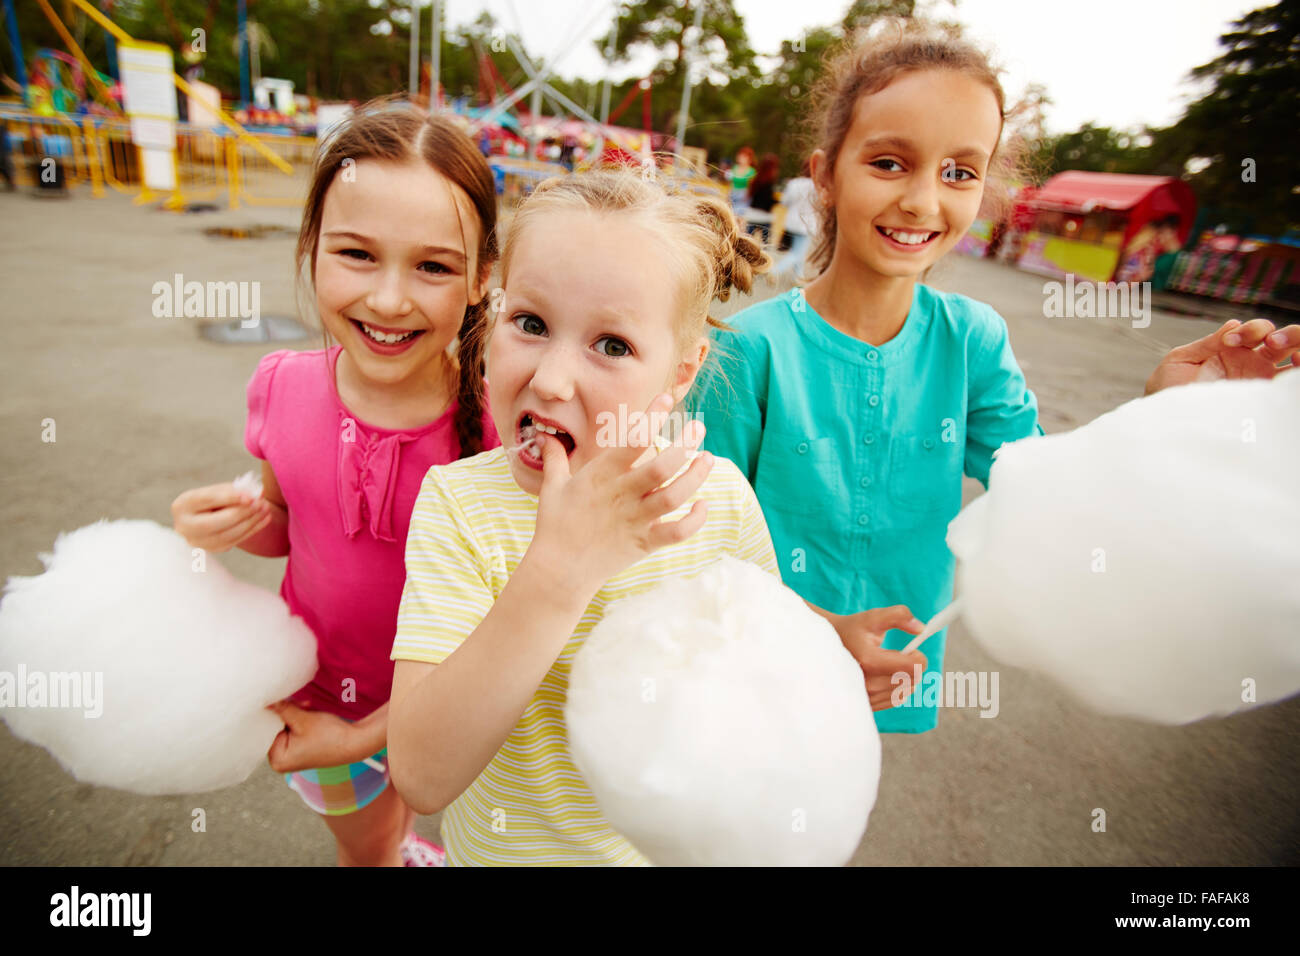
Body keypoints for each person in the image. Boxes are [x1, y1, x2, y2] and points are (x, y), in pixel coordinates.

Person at [691, 18, 1300, 735]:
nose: (923, 201)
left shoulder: (974, 340)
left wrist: (1163, 415)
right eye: (889, 162)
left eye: (959, 172)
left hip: (889, 670)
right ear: (825, 174)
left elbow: (1037, 485)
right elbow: (702, 539)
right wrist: (816, 629)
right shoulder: (747, 349)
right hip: (753, 664)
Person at [386, 170, 923, 864]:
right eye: (530, 323)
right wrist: (557, 571)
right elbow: (423, 775)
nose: (549, 379)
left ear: (681, 374)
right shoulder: (460, 507)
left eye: (611, 345)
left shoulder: (715, 498)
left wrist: (831, 638)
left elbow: (750, 627)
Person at [170, 100, 501, 865]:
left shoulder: (497, 427)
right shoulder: (280, 384)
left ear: (483, 278)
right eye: (356, 253)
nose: (389, 300)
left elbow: (511, 619)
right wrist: (223, 523)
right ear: (312, 248)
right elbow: (286, 523)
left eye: (433, 266)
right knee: (370, 852)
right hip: (320, 702)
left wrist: (376, 730)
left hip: (456, 709)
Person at [774, 159, 818, 281]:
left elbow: (784, 202)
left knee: (798, 251)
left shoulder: (794, 183)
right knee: (798, 253)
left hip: (791, 222)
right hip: (807, 225)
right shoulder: (817, 186)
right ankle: (775, 271)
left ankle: (798, 276)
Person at [743, 152, 780, 244]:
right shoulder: (769, 183)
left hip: (752, 214)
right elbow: (767, 202)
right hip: (764, 217)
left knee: (747, 242)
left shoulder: (755, 179)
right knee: (765, 244)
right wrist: (777, 201)